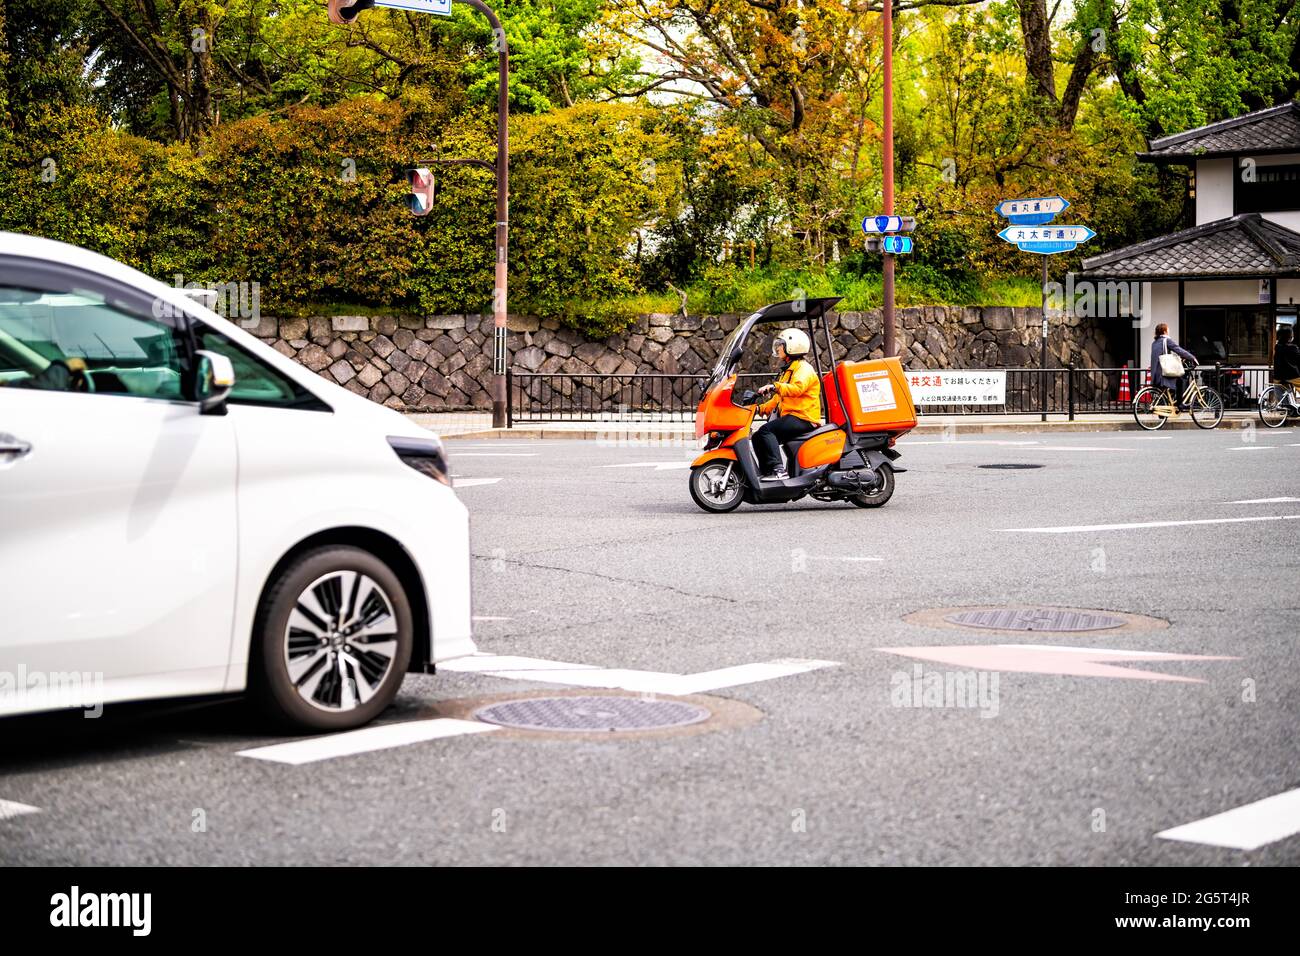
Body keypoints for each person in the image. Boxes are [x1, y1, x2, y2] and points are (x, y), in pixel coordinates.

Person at [752, 328, 821, 480]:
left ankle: (778, 471)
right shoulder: (789, 369)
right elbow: (778, 399)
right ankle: (768, 472)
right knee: (757, 436)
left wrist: (774, 386)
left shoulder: (804, 369)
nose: (778, 348)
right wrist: (758, 409)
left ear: (792, 347)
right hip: (793, 416)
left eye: (781, 345)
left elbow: (797, 389)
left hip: (804, 417)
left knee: (766, 431)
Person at [1150, 323, 1198, 410]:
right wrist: (1192, 358)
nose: (1169, 331)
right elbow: (1178, 350)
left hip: (1156, 373)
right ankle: (1180, 404)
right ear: (1164, 331)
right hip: (1163, 372)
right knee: (1180, 379)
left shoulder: (1155, 342)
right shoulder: (1166, 340)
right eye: (1168, 329)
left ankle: (1165, 407)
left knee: (1169, 388)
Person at [1273, 326, 1300, 412]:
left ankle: (1288, 410)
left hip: (1278, 376)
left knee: (1283, 391)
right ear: (1290, 336)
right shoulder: (1293, 348)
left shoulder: (1277, 347)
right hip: (1292, 375)